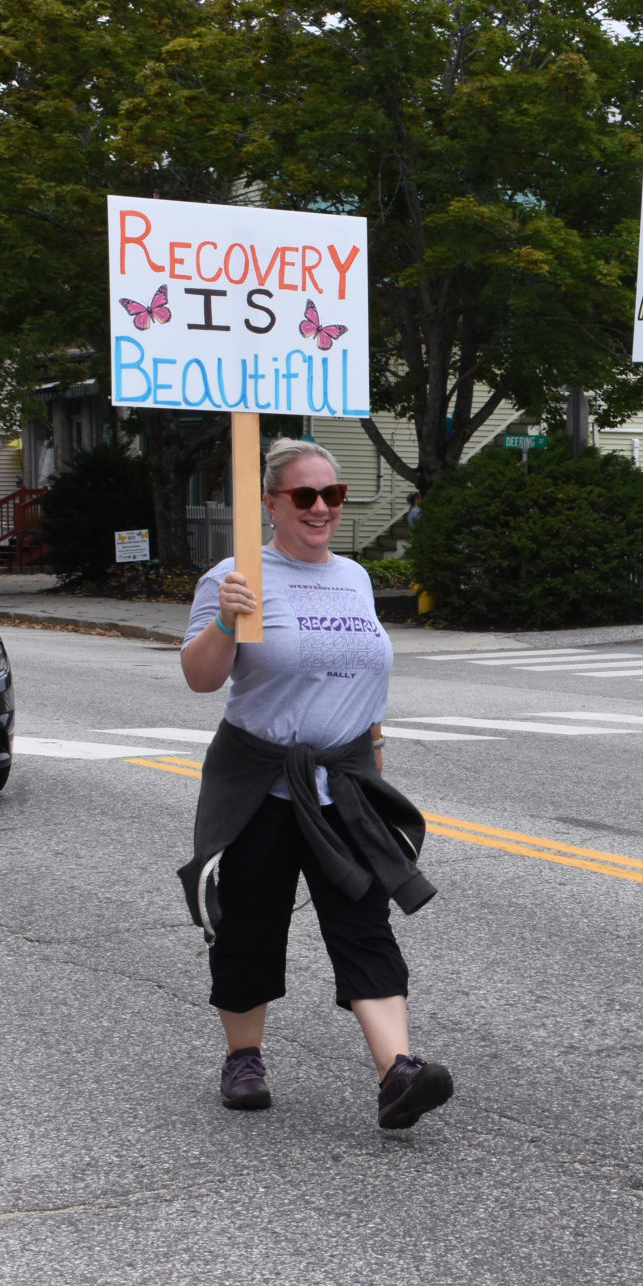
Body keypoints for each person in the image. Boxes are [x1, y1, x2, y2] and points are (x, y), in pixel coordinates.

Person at [177, 437, 454, 1130]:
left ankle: (398, 1073)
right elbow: (200, 677)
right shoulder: (235, 576)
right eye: (305, 495)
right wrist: (223, 619)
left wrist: (374, 764)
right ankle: (244, 1057)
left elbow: (366, 680)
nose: (323, 507)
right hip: (262, 781)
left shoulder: (355, 578)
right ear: (271, 502)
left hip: (345, 782)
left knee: (365, 923)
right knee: (249, 926)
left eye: (334, 494)